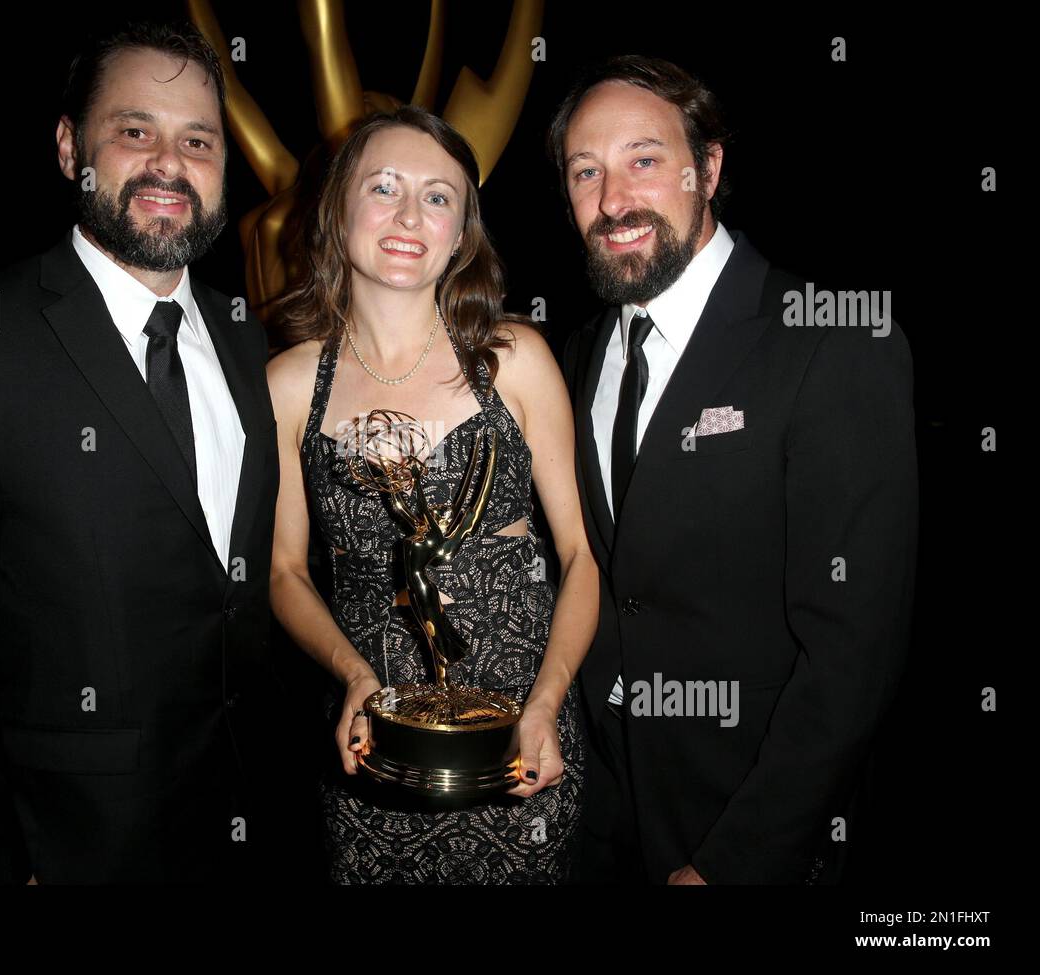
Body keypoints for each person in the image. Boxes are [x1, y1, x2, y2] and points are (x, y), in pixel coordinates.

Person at [0, 21, 288, 883]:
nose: (170, 163)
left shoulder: (253, 342)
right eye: (135, 132)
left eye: (198, 141)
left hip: (252, 831)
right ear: (70, 149)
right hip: (69, 850)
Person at [551, 55, 918, 883]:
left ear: (707, 168)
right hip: (607, 828)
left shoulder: (832, 341)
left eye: (643, 160)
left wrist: (737, 861)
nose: (612, 202)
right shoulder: (577, 357)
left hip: (756, 841)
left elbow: (854, 657)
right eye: (586, 172)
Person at [266, 106, 598, 883]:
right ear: (338, 209)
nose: (411, 215)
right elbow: (284, 572)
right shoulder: (286, 386)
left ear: (460, 235)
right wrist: (354, 677)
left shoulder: (515, 361)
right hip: (376, 752)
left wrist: (546, 703)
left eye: (439, 197)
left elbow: (581, 556)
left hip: (524, 743)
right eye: (384, 188)